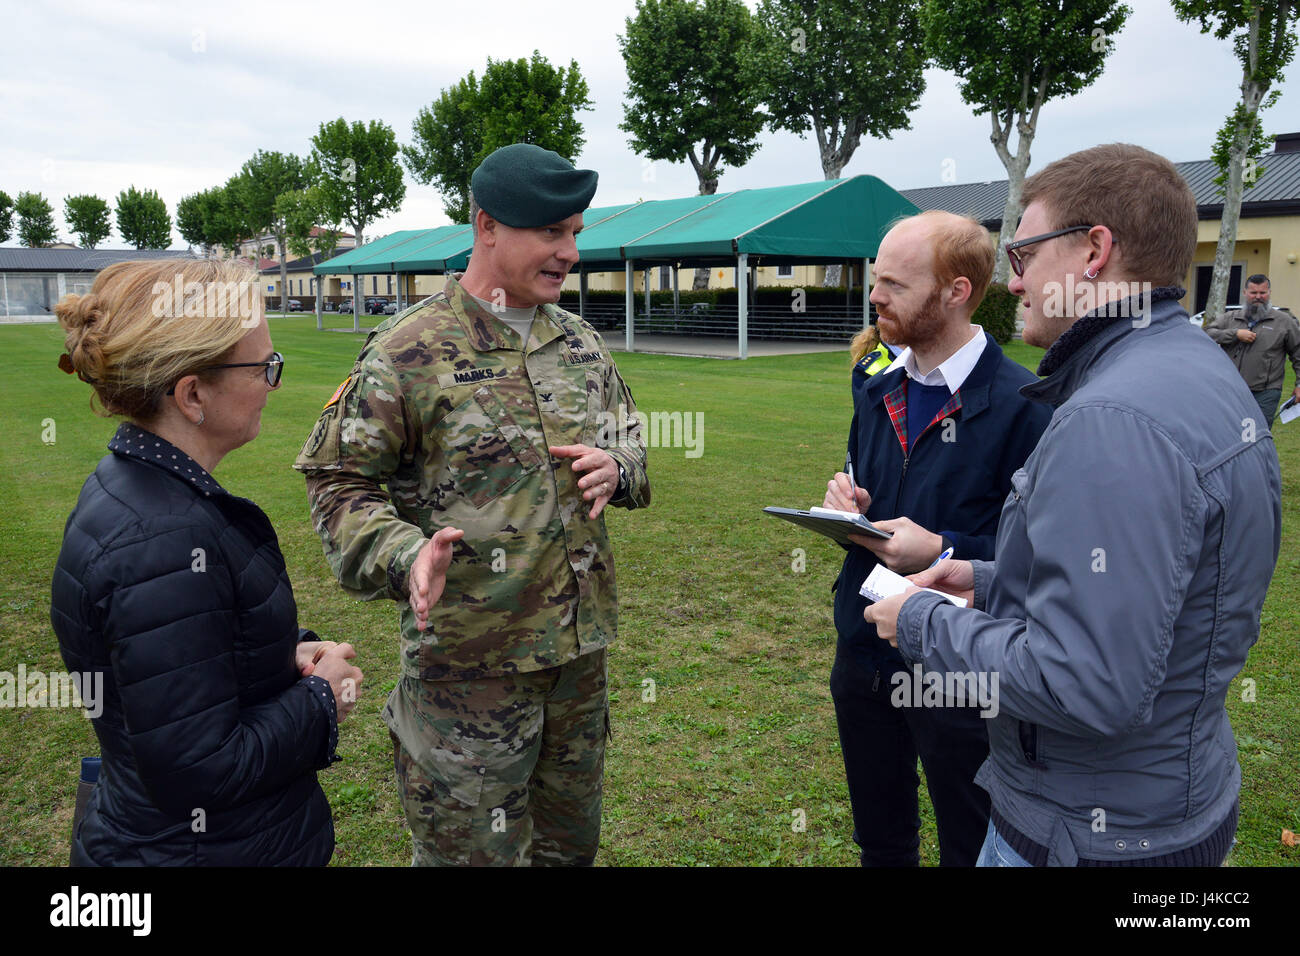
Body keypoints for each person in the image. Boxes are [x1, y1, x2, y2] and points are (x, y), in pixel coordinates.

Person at [867, 143, 1281, 866]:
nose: (1013, 282)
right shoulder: (1192, 366)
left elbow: (1083, 682)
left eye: (1023, 255)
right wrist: (987, 579)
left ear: (1095, 251)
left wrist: (922, 619)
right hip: (1170, 798)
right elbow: (1159, 590)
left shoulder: (1113, 418)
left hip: (1089, 829)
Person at [295, 143, 651, 867]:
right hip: (468, 679)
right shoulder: (407, 352)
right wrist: (403, 552)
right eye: (552, 233)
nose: (570, 253)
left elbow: (632, 442)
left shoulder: (579, 343)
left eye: (576, 232)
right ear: (486, 226)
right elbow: (338, 483)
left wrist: (618, 465)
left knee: (568, 850)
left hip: (577, 668)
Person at [51, 258, 362, 866]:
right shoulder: (161, 537)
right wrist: (321, 698)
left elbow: (174, 663)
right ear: (192, 394)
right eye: (265, 366)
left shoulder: (134, 488)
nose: (274, 383)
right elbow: (200, 771)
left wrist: (281, 655)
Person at [825, 210, 1051, 866]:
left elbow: (1039, 559)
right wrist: (846, 500)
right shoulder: (873, 378)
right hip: (864, 641)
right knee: (882, 840)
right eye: (875, 280)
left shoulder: (1027, 405)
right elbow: (862, 473)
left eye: (894, 284)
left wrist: (945, 550)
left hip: (960, 665)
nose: (875, 297)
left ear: (955, 292)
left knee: (971, 840)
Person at [1203, 274, 1300, 423]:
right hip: (1231, 389)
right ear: (1245, 293)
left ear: (1269, 293)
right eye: (1254, 293)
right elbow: (1207, 333)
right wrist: (1235, 334)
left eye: (1263, 293)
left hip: (1265, 392)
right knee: (1229, 433)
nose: (1258, 297)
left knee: (1255, 436)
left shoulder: (1284, 322)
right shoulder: (1231, 318)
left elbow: (1298, 354)